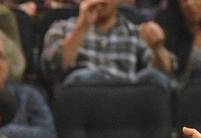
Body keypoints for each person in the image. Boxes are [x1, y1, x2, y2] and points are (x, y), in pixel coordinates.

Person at [42, 0, 174, 89]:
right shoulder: (62, 28)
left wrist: (157, 48)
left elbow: (164, 76)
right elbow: (53, 67)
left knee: (153, 78)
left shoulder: (135, 31)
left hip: (125, 100)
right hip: (83, 102)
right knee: (82, 77)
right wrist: (82, 27)